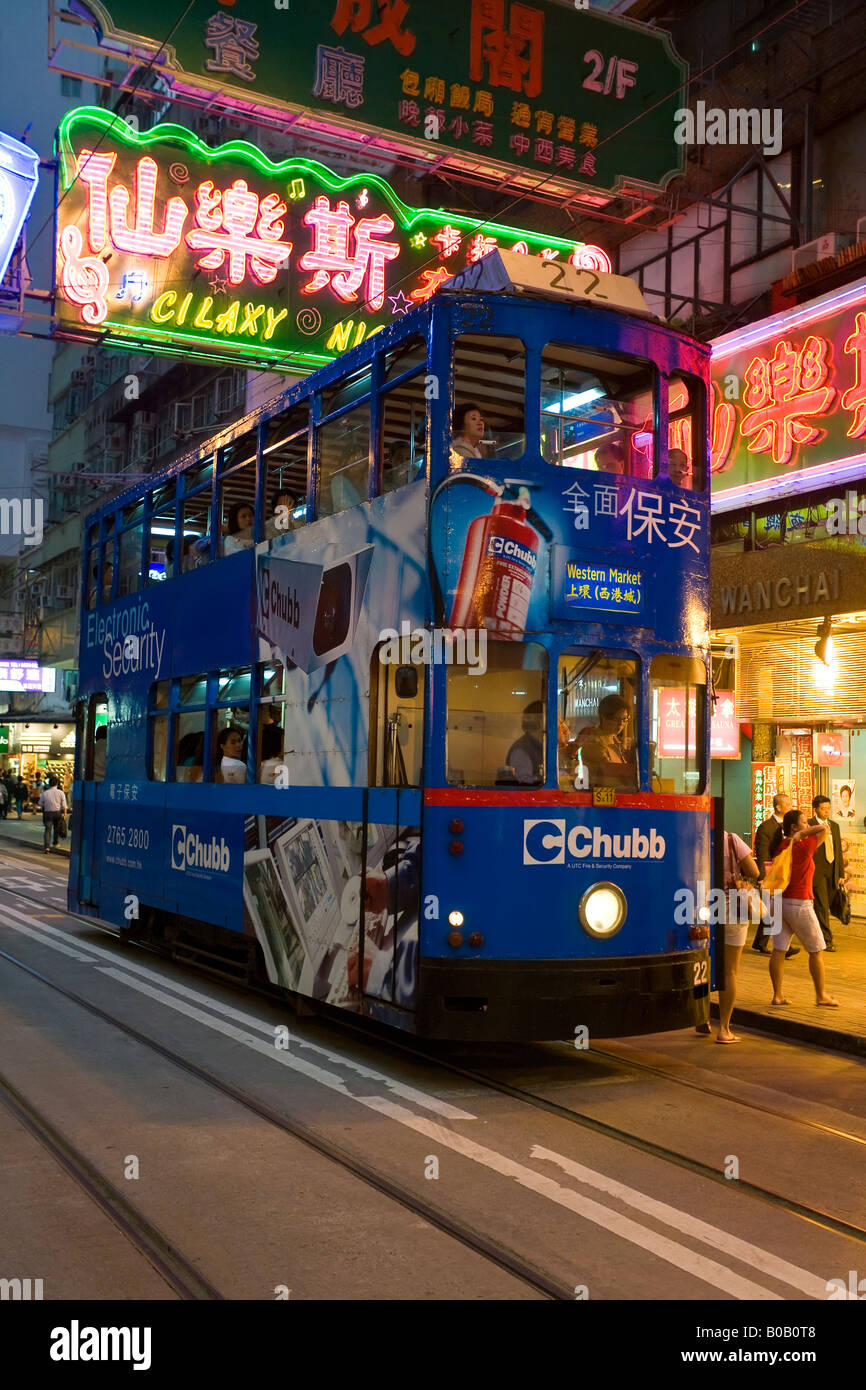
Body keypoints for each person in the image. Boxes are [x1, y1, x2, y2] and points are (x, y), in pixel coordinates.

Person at [767, 809, 838, 1006]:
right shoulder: (804, 845)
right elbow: (824, 828)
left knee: (779, 950)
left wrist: (800, 832)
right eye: (804, 822)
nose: (807, 825)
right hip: (799, 903)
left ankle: (777, 995)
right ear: (793, 827)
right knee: (817, 949)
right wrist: (802, 834)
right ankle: (821, 995)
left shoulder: (782, 845)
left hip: (779, 902)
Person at [714, 829, 762, 1043]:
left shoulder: (698, 835)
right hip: (731, 906)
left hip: (701, 905)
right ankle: (724, 1028)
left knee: (704, 965)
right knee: (730, 970)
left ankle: (701, 1019)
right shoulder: (731, 839)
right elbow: (754, 871)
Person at [751, 792, 796, 954]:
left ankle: (762, 942)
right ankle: (782, 946)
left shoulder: (788, 827)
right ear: (778, 807)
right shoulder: (766, 827)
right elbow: (762, 853)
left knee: (774, 909)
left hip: (783, 873)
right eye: (788, 805)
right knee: (774, 908)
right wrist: (763, 876)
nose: (791, 807)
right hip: (771, 875)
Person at [808, 795, 844, 952]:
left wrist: (841, 873)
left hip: (832, 870)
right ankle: (827, 940)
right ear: (815, 809)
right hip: (817, 872)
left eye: (828, 808)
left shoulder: (834, 826)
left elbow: (838, 850)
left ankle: (815, 935)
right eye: (823, 809)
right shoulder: (809, 825)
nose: (826, 811)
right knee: (822, 906)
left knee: (825, 905)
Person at [576, 694, 635, 789]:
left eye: (624, 719)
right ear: (604, 718)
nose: (621, 724)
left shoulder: (615, 741)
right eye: (616, 719)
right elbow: (612, 773)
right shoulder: (594, 745)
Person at [505, 701, 545, 784]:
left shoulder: (541, 747)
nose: (559, 726)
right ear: (542, 722)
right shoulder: (521, 750)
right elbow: (524, 784)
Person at [38, 774, 68, 854]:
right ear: (57, 783)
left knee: (47, 830)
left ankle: (47, 847)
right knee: (56, 828)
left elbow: (40, 803)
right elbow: (64, 805)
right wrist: (65, 813)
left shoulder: (45, 793)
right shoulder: (61, 793)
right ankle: (55, 842)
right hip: (57, 812)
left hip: (48, 813)